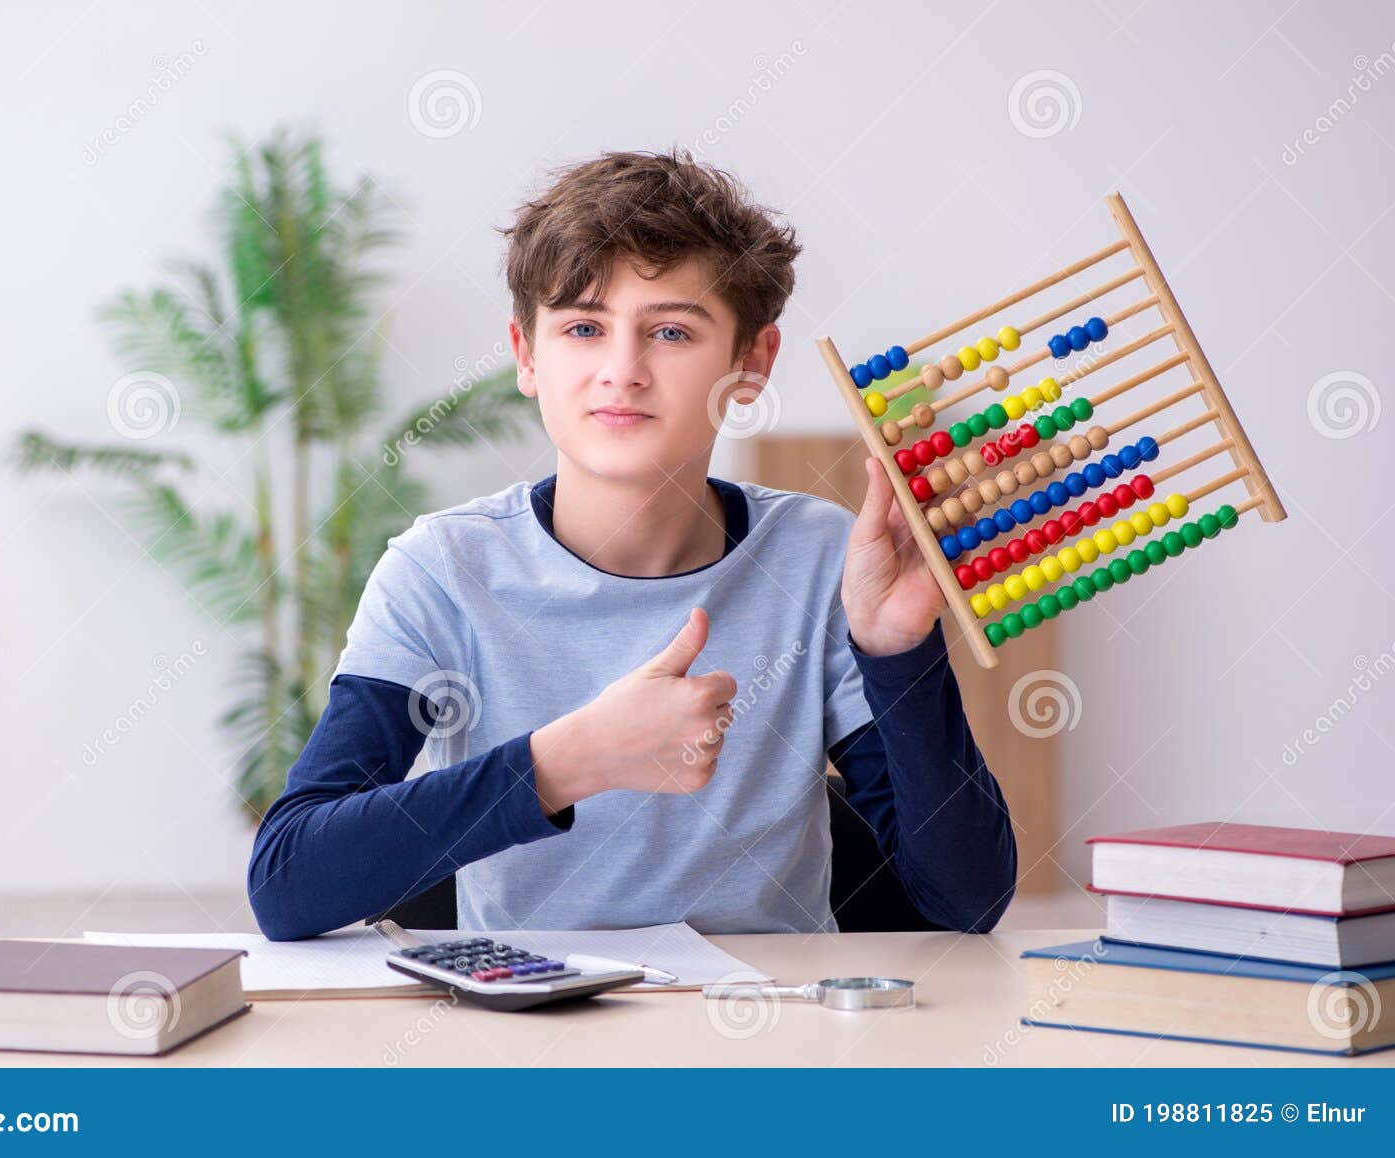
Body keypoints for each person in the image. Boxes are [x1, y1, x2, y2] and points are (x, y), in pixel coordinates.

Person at [247, 148, 1016, 939]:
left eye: (672, 332)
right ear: (525, 356)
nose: (622, 371)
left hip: (774, 1038)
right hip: (534, 1040)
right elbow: (288, 882)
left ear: (751, 363)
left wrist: (896, 653)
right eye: (583, 327)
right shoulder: (442, 572)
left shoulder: (822, 561)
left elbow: (964, 902)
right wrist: (576, 758)